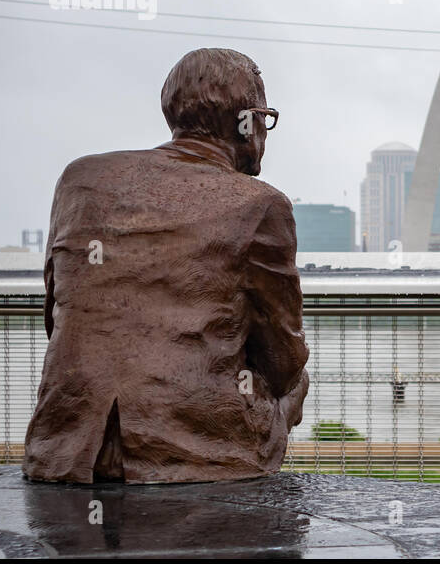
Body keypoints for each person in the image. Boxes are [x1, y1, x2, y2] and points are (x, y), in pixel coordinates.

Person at [23, 48, 309, 483]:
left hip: (65, 448)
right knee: (297, 381)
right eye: (264, 118)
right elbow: (282, 361)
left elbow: (56, 314)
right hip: (196, 454)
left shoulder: (80, 178)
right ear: (246, 122)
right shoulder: (261, 204)